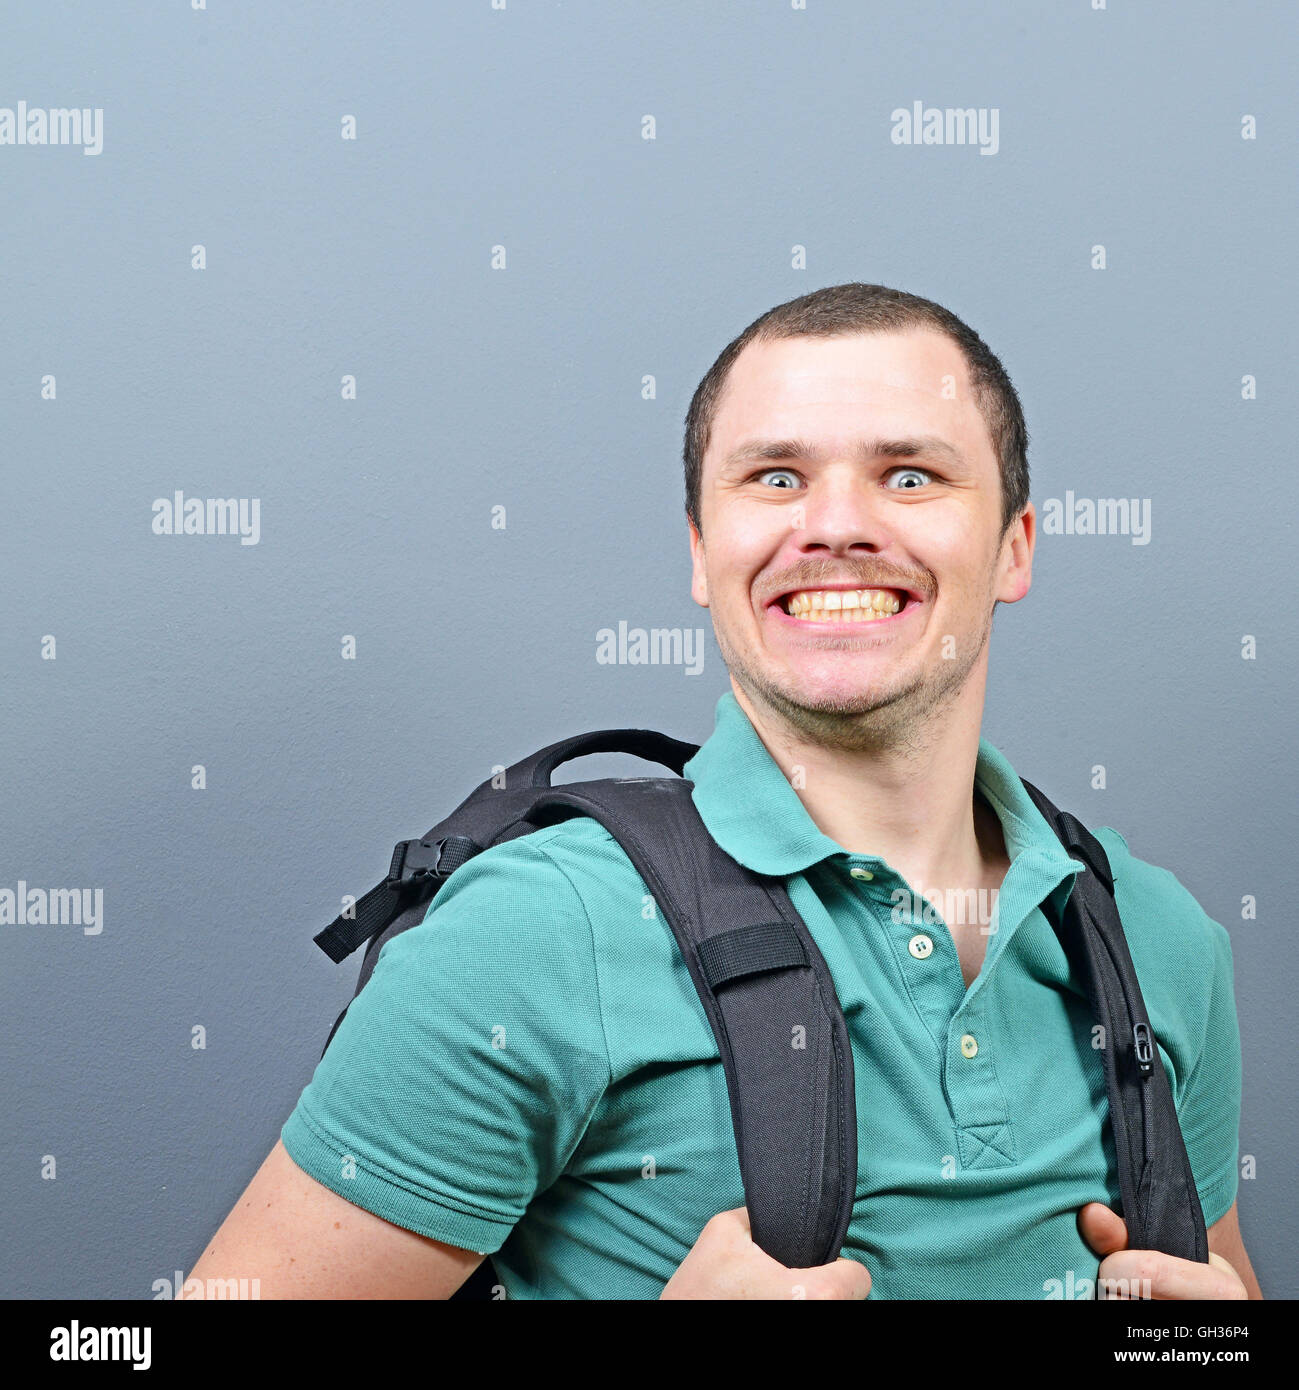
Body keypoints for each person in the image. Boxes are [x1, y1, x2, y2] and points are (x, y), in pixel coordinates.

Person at [187, 283, 1260, 1299]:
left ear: (1015, 545)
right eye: (777, 478)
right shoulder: (537, 932)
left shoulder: (1157, 938)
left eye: (911, 476)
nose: (836, 526)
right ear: (703, 554)